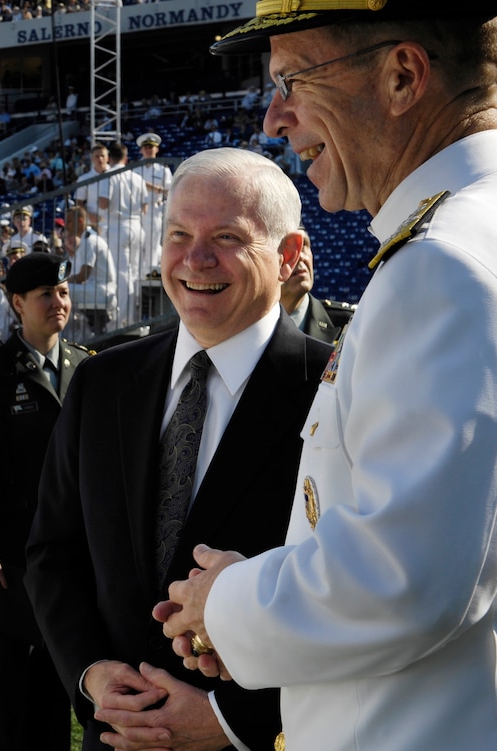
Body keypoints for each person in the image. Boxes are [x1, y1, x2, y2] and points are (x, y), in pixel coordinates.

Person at [155, 5, 497, 750]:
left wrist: (226, 604)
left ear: (402, 76)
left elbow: (406, 579)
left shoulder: (441, 267)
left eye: (293, 81)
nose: (274, 117)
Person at [25, 148, 334, 751]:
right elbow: (53, 551)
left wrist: (231, 720)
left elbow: (354, 595)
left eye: (227, 237)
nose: (195, 259)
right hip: (117, 735)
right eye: (178, 235)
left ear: (288, 255)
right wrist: (92, 674)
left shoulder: (334, 390)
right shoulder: (102, 382)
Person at [0, 252, 91, 751]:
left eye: (63, 292)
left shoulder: (84, 367)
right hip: (5, 558)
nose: (58, 302)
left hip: (67, 556)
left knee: (57, 686)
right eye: (46, 294)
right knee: (7, 693)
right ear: (17, 304)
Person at [280, 226, 355, 343]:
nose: (300, 257)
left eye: (303, 245)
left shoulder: (352, 324)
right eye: (287, 249)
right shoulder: (249, 329)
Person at [104, 140, 149, 328]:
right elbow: (145, 207)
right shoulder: (137, 177)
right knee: (134, 273)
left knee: (121, 273)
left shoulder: (110, 175)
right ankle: (133, 316)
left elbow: (103, 203)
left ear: (109, 158)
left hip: (118, 226)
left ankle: (123, 318)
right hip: (137, 226)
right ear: (126, 157)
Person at [64, 205, 117, 338]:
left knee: (60, 291)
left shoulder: (90, 241)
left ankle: (68, 336)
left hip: (101, 291)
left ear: (80, 221)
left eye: (69, 221)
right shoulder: (87, 239)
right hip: (97, 288)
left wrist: (62, 282)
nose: (66, 226)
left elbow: (83, 276)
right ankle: (74, 334)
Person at [133, 132, 174, 276]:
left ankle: (150, 273)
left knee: (153, 242)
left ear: (156, 149)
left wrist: (153, 188)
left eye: (151, 147)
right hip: (137, 209)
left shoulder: (163, 170)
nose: (148, 150)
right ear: (141, 150)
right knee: (137, 243)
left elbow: (170, 191)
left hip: (154, 208)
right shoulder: (135, 169)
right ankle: (138, 274)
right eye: (146, 147)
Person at [74, 141, 110, 231]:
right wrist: (89, 215)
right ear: (92, 159)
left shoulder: (117, 175)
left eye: (102, 156)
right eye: (97, 156)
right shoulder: (84, 179)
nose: (100, 159)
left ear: (108, 158)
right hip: (93, 224)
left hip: (113, 223)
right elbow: (78, 202)